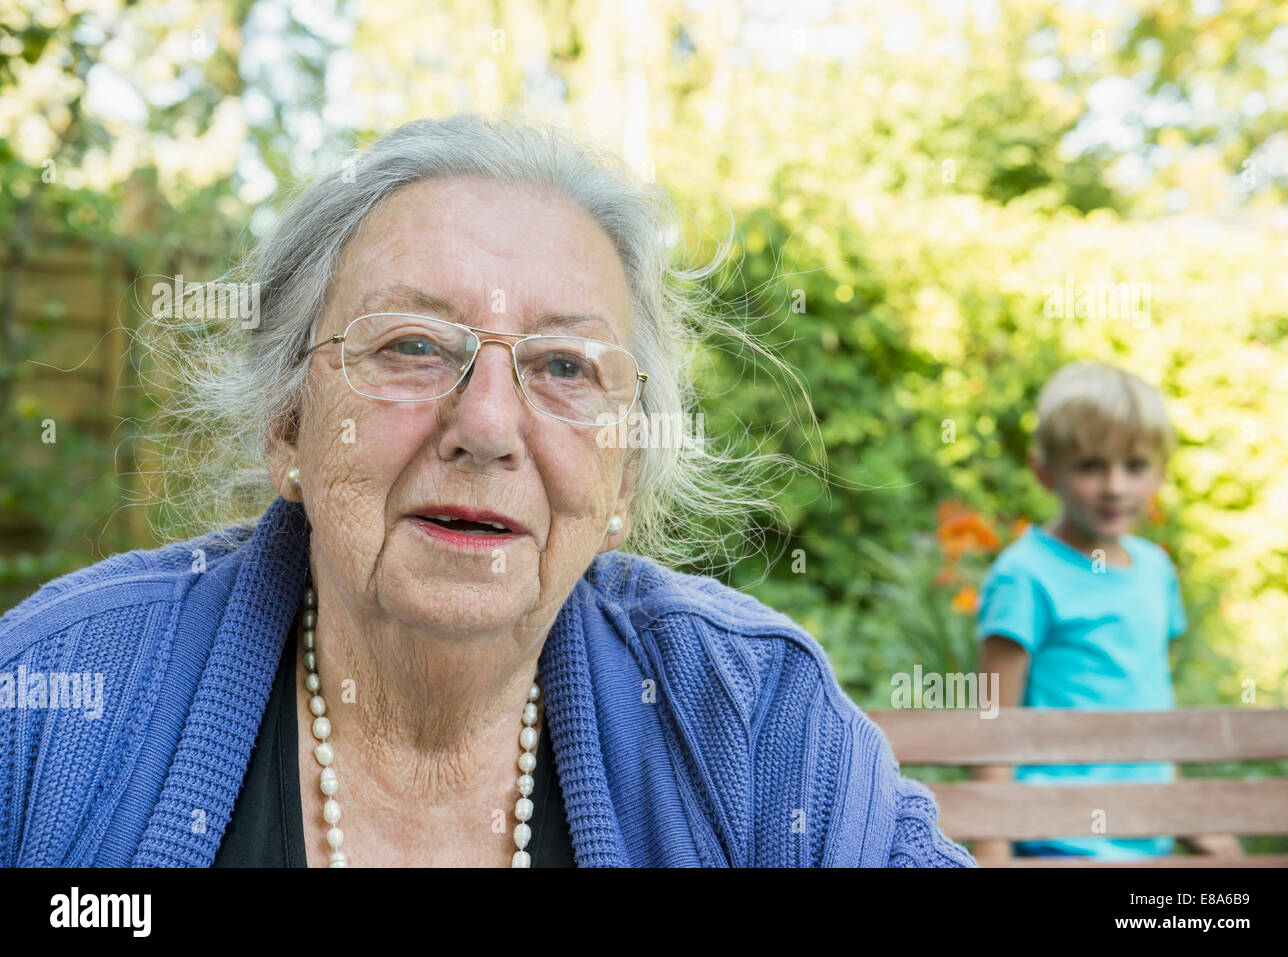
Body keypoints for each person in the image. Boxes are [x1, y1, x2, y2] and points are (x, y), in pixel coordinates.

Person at [0, 112, 974, 867]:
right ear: (286, 423)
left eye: (564, 367)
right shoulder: (53, 699)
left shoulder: (752, 719)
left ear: (625, 468)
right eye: (413, 347)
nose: (489, 427)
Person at [971, 360, 1241, 860]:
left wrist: (1191, 816)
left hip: (1148, 836)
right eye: (1091, 466)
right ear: (1044, 471)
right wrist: (991, 850)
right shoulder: (1025, 576)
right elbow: (992, 724)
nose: (1115, 486)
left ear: (1160, 472)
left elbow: (1150, 703)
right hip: (1059, 839)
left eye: (1135, 466)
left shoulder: (1155, 570)